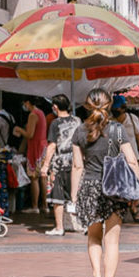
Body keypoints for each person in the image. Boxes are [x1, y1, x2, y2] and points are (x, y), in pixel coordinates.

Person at [71, 88, 139, 277]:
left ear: (87, 105)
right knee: (112, 241)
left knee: (93, 236)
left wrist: (74, 195)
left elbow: (77, 166)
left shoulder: (80, 131)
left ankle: (96, 275)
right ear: (110, 105)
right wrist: (135, 188)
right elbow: (132, 160)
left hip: (90, 187)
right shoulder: (118, 130)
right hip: (115, 188)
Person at [40, 94, 81, 236]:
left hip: (60, 163)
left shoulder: (55, 123)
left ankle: (59, 227)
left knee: (58, 196)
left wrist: (45, 165)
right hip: (76, 162)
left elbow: (52, 145)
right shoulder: (78, 121)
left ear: (55, 107)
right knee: (77, 193)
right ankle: (84, 224)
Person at [112, 95, 139, 220]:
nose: (116, 111)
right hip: (115, 159)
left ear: (123, 108)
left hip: (133, 157)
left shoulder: (132, 119)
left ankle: (134, 208)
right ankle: (123, 208)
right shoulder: (110, 121)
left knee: (133, 183)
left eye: (118, 108)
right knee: (119, 184)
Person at [13, 97, 48, 214]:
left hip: (36, 148)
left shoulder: (33, 115)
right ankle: (45, 205)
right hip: (43, 147)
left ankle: (34, 207)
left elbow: (30, 134)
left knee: (34, 178)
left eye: (25, 103)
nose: (24, 106)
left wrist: (19, 129)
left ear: (28, 102)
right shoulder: (41, 113)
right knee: (43, 177)